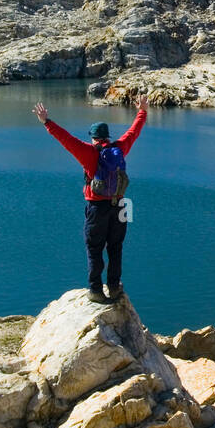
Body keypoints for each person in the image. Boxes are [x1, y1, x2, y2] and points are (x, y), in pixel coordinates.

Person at [33, 95, 148, 304]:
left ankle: (96, 290)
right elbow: (134, 132)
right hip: (120, 206)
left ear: (94, 138)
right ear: (107, 136)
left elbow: (66, 139)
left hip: (97, 208)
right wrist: (142, 111)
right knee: (115, 248)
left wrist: (46, 122)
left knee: (95, 249)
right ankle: (114, 287)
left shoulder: (87, 152)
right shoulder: (120, 149)